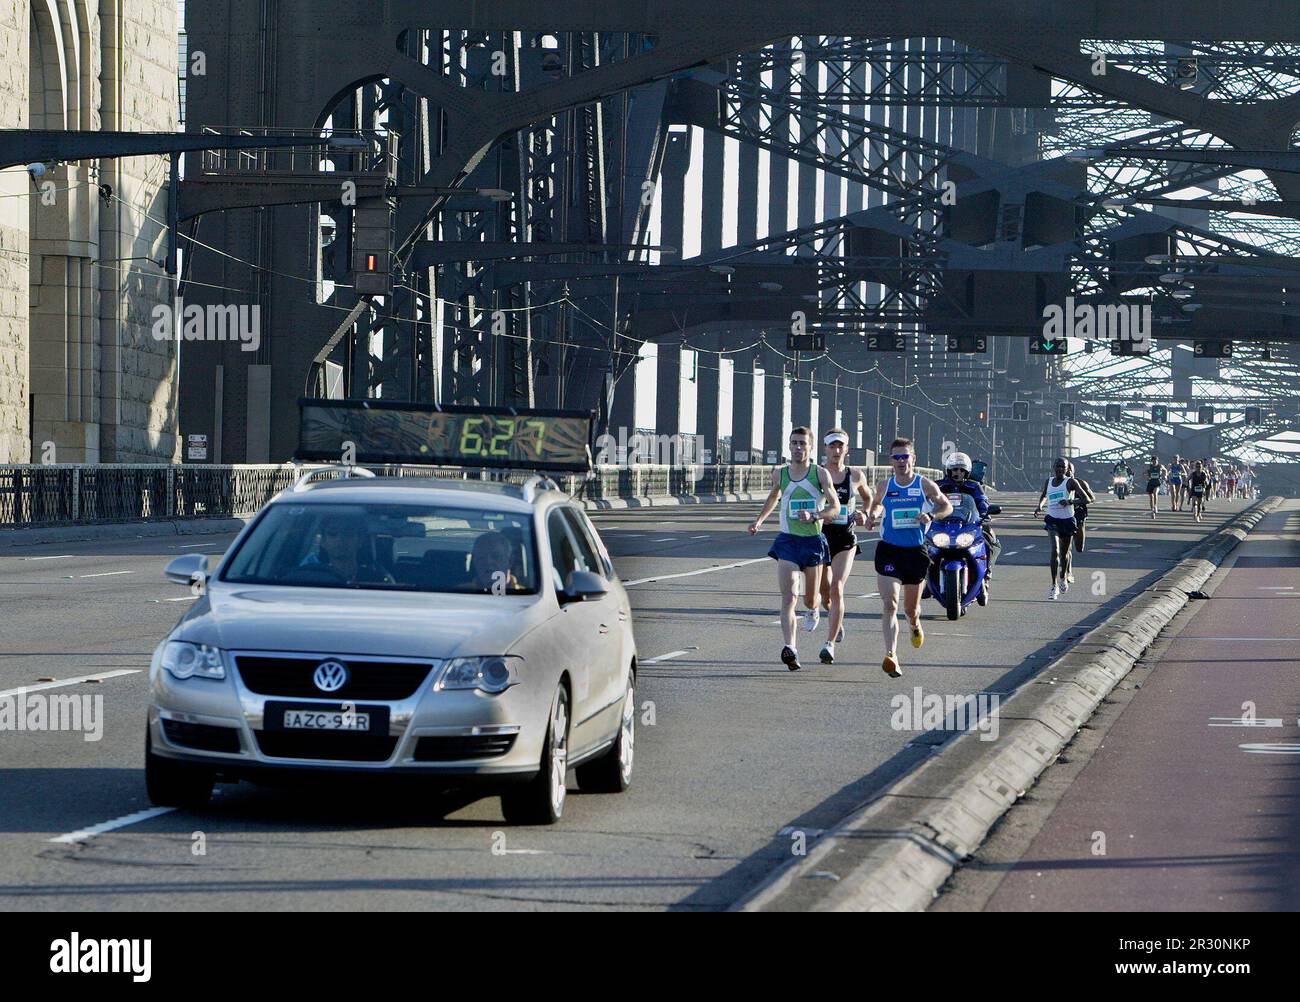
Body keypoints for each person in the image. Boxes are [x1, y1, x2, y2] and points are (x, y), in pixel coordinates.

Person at [749, 427, 840, 671]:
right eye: (794, 443)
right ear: (788, 446)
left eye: (802, 443)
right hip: (788, 541)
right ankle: (791, 647)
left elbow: (835, 507)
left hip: (813, 541)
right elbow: (773, 498)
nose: (798, 447)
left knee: (811, 599)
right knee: (789, 596)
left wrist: (815, 515)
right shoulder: (780, 474)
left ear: (810, 447)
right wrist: (759, 520)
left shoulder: (820, 474)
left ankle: (813, 610)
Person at [864, 438, 953, 679]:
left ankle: (914, 625)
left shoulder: (924, 484)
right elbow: (874, 507)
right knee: (890, 604)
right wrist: (871, 517)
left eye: (906, 457)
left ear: (913, 459)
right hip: (889, 550)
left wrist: (931, 515)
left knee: (911, 609)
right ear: (891, 460)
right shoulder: (885, 485)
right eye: (897, 457)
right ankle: (891, 654)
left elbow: (947, 507)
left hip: (915, 552)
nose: (901, 461)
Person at [815, 429, 874, 664]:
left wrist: (864, 512)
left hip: (845, 538)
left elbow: (868, 498)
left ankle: (829, 644)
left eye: (841, 446)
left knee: (837, 587)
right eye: (832, 446)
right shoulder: (817, 474)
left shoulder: (855, 475)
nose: (836, 451)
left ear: (847, 449)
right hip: (820, 537)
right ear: (825, 449)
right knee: (825, 593)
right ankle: (835, 618)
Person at [935, 451, 1001, 582]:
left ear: (967, 472)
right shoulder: (939, 485)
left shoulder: (974, 486)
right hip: (942, 524)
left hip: (968, 524)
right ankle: (924, 576)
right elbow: (927, 500)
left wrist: (984, 513)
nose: (958, 472)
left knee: (990, 539)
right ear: (948, 470)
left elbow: (982, 500)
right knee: (923, 543)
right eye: (954, 469)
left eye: (961, 470)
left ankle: (987, 570)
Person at [1034, 457, 1089, 600]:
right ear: (1053, 467)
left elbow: (1086, 499)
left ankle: (1063, 577)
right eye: (1057, 466)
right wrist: (1040, 505)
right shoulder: (1049, 481)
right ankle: (1053, 586)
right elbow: (1044, 495)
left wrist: (1070, 501)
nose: (1059, 469)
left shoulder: (1070, 482)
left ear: (1067, 469)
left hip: (1067, 520)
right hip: (1052, 520)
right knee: (1055, 551)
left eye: (1062, 467)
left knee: (1065, 554)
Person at [1064, 460, 1097, 560]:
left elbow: (1092, 498)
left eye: (1070, 470)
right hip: (1063, 515)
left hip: (1078, 515)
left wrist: (1074, 502)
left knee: (1079, 548)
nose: (1068, 472)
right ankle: (1066, 565)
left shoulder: (1081, 483)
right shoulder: (1056, 483)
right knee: (1064, 546)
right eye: (1067, 469)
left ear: (1073, 471)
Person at [1144, 454, 1165, 519]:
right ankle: (1152, 510)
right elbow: (1144, 473)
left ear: (1157, 461)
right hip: (1150, 483)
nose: (1154, 462)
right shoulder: (1149, 467)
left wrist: (1165, 476)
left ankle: (1155, 506)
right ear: (1151, 461)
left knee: (1155, 493)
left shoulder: (1160, 466)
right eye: (1153, 461)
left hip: (1157, 482)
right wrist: (1146, 477)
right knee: (1151, 497)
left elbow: (1165, 470)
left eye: (1155, 461)